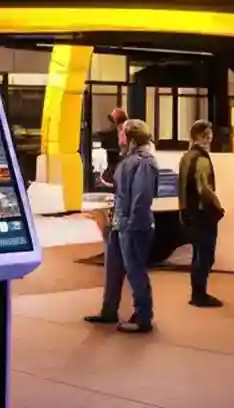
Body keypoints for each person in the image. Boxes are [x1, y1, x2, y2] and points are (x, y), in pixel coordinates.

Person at [85, 119, 160, 333]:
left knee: (135, 271)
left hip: (132, 226)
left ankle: (143, 317)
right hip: (120, 224)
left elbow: (141, 197)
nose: (118, 137)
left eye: (121, 133)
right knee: (113, 270)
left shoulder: (144, 162)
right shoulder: (130, 160)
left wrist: (130, 224)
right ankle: (109, 310)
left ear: (130, 138)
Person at [178, 119, 223, 308]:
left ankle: (196, 292)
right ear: (202, 136)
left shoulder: (186, 157)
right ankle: (199, 294)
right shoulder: (202, 159)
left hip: (188, 211)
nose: (210, 137)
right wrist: (217, 206)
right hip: (203, 213)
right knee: (205, 255)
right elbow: (204, 188)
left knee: (197, 252)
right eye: (208, 134)